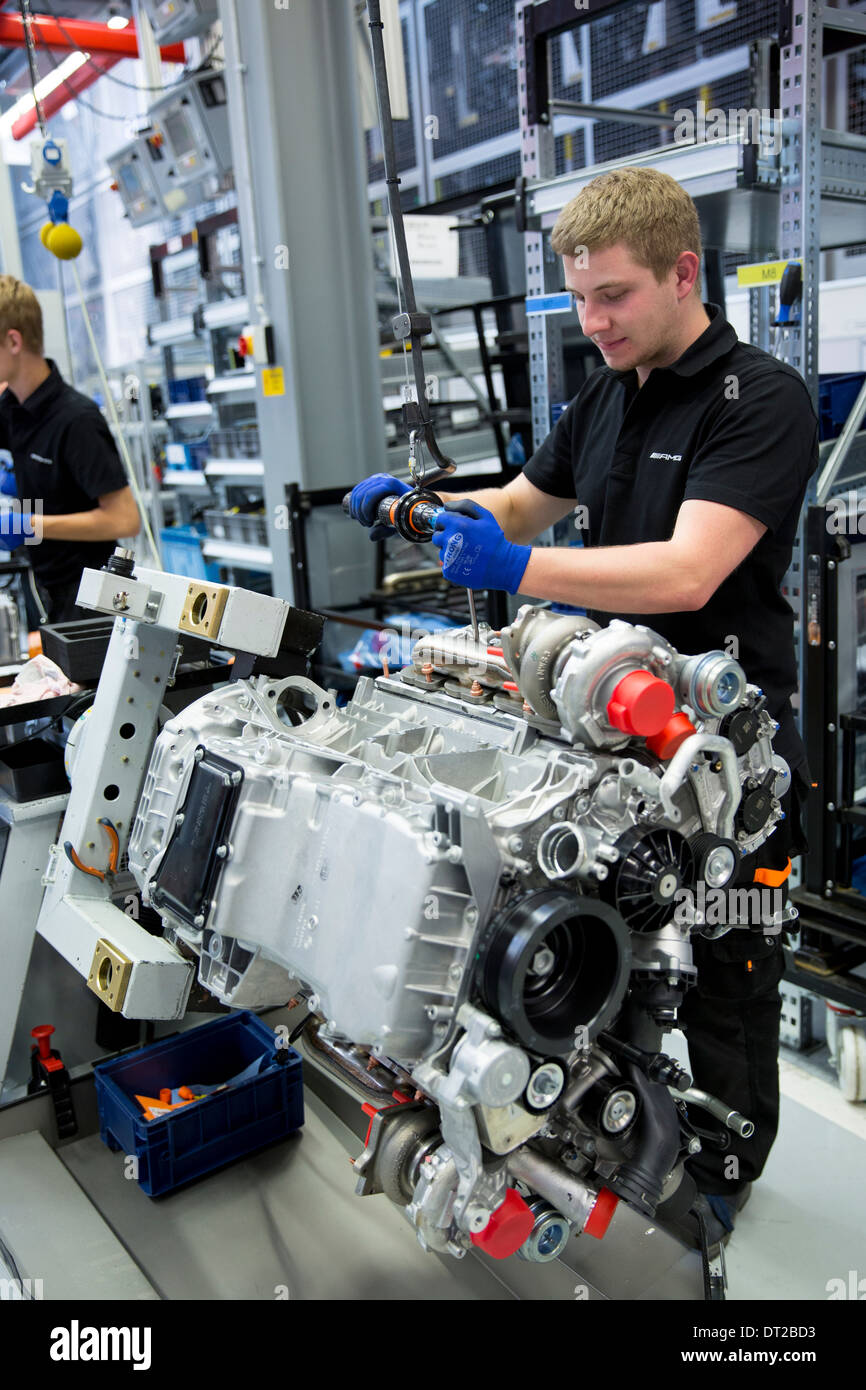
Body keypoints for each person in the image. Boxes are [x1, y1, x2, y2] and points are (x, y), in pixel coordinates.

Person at [348, 166, 817, 1248]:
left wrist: (520, 568)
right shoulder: (606, 390)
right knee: (613, 967)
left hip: (718, 765)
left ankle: (718, 1186)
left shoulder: (760, 399)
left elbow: (688, 573)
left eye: (611, 295)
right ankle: (604, 1146)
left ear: (681, 272)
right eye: (577, 299)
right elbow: (520, 500)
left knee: (726, 979)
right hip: (604, 745)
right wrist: (420, 506)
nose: (591, 320)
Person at [0, 275, 140, 625]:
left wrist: (30, 523)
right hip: (42, 587)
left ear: (13, 341)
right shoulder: (12, 409)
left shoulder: (76, 420)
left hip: (89, 602)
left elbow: (125, 519)